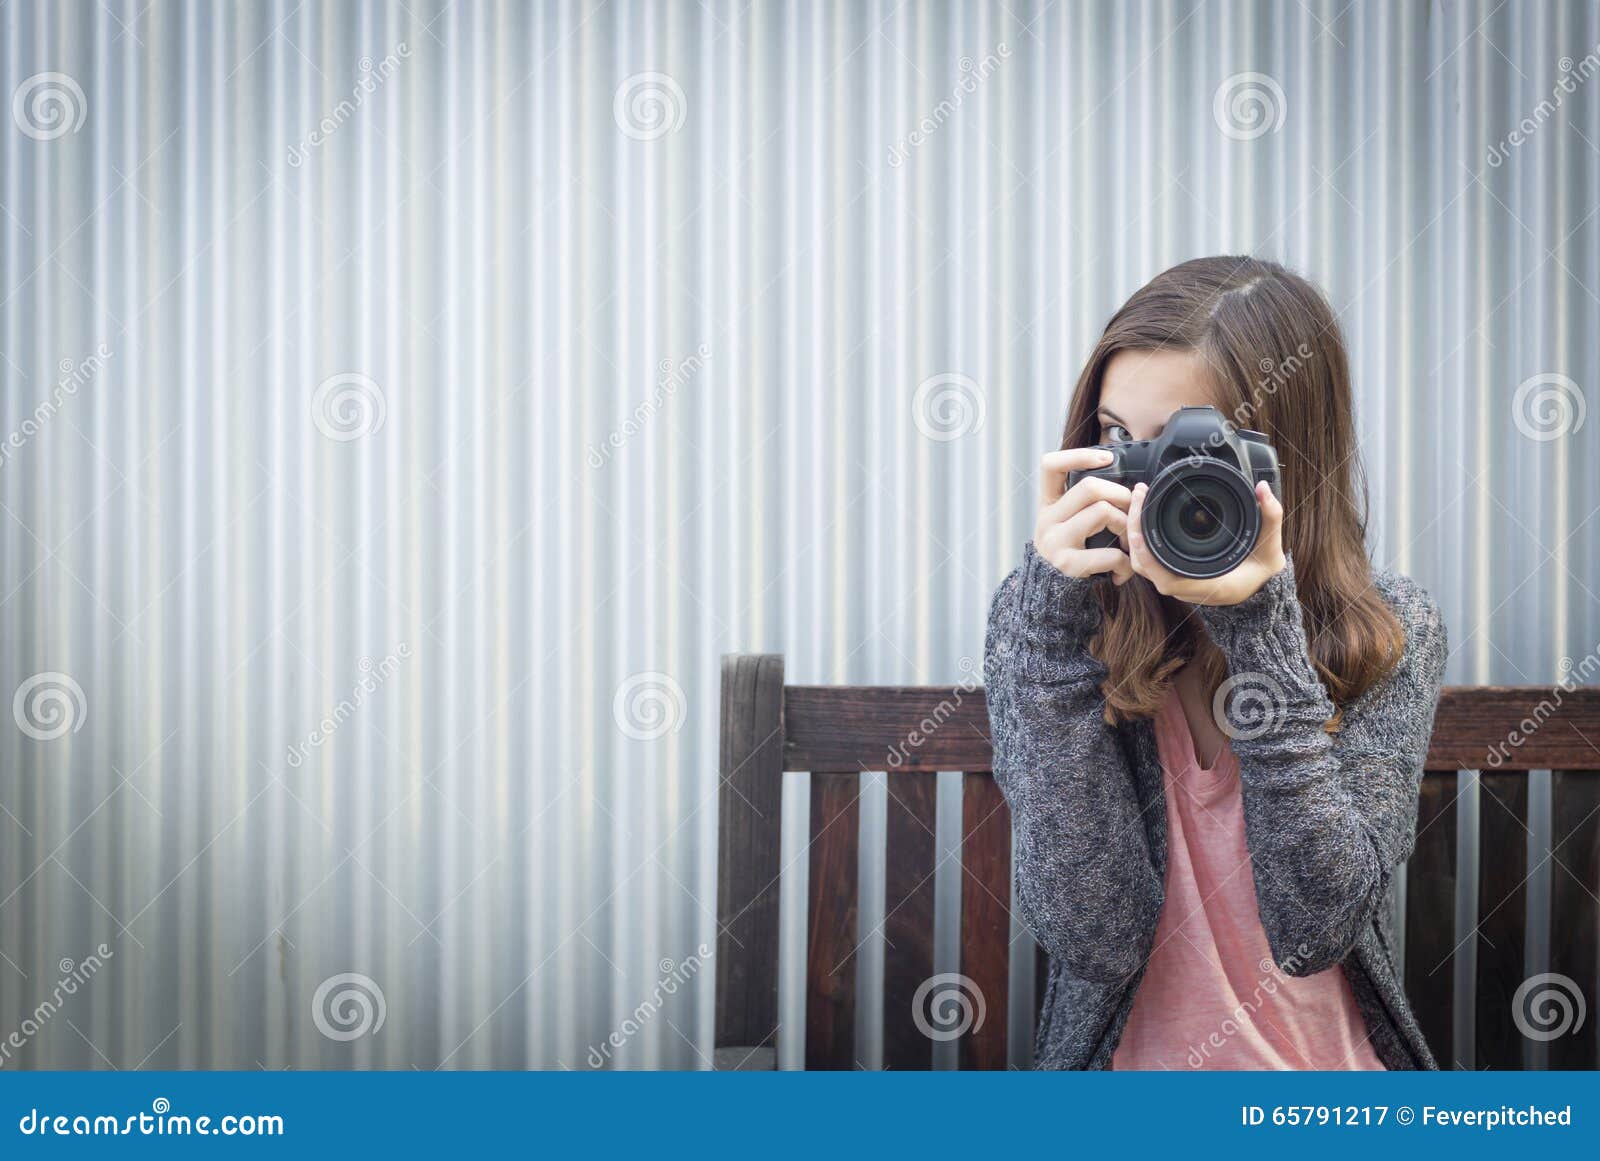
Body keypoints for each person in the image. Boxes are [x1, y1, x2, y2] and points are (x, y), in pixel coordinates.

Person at [984, 256, 1446, 1070]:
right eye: (1120, 439)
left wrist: (1262, 631)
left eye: (1188, 450)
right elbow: (1095, 936)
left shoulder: (1389, 627)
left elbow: (1317, 929)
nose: (1149, 482)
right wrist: (1052, 641)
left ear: (1284, 459)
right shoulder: (1052, 621)